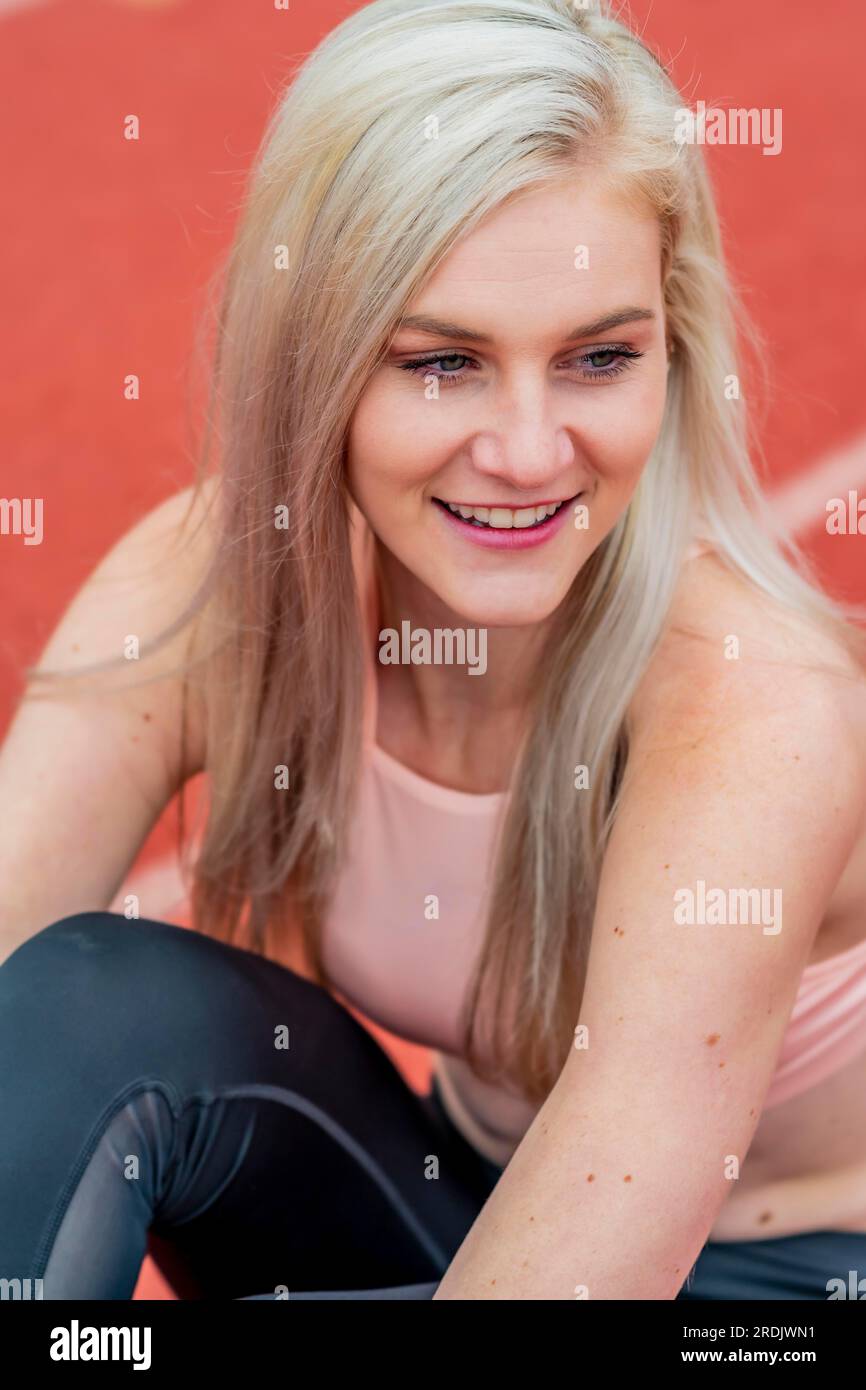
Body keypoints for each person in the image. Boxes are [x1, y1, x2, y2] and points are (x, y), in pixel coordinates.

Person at [2, 0, 866, 1301]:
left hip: (775, 1288)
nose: (526, 453)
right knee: (90, 1000)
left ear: (669, 351)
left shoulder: (752, 712)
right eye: (443, 362)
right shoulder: (220, 583)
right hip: (467, 1197)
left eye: (596, 357)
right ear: (319, 360)